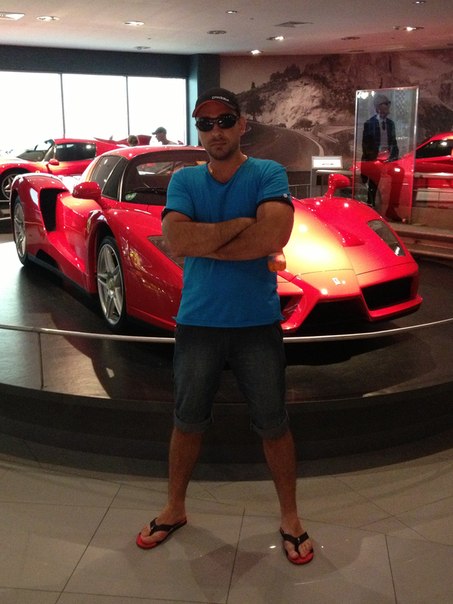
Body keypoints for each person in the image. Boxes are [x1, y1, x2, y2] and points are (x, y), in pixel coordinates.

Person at [136, 87, 314, 566]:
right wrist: (241, 224)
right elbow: (177, 240)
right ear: (199, 130)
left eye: (224, 120)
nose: (215, 130)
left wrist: (207, 240)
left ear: (241, 125)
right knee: (186, 420)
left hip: (257, 322)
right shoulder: (185, 180)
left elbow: (274, 233)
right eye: (205, 123)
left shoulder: (268, 172)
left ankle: (291, 517)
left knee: (273, 423)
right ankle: (175, 508)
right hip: (198, 322)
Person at [361, 93, 399, 207]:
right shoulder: (369, 123)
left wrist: (394, 157)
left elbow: (394, 142)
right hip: (374, 159)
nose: (387, 107)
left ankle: (391, 206)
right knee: (373, 181)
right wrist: (373, 159)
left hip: (388, 159)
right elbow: (366, 145)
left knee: (397, 176)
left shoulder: (390, 124)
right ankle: (371, 203)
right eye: (385, 104)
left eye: (388, 104)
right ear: (378, 107)